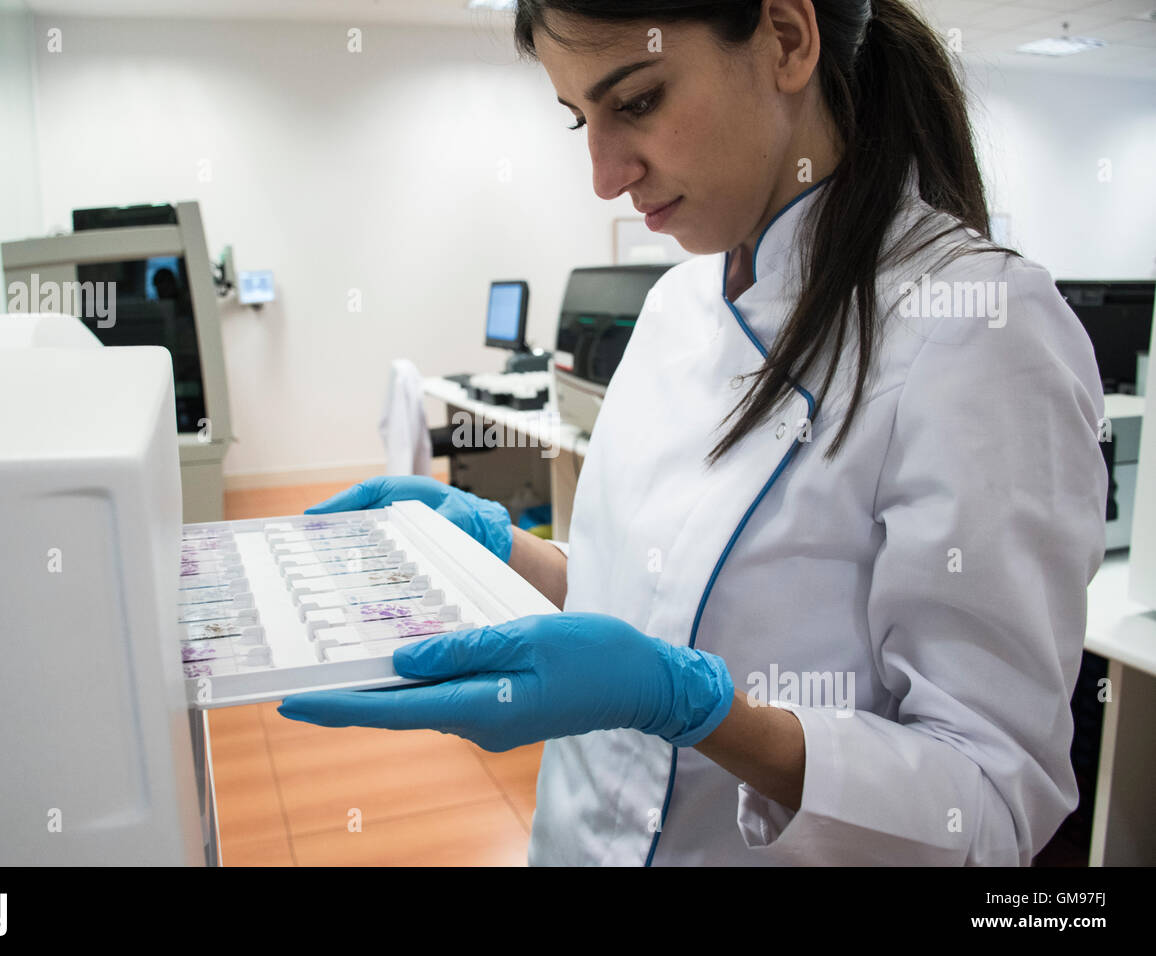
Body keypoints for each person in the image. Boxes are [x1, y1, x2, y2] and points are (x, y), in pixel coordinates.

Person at [276, 0, 1108, 865]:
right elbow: (647, 600)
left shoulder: (976, 328)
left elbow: (988, 808)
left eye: (635, 102)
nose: (604, 175)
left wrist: (705, 714)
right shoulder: (677, 301)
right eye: (581, 120)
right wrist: (496, 552)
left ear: (786, 38)